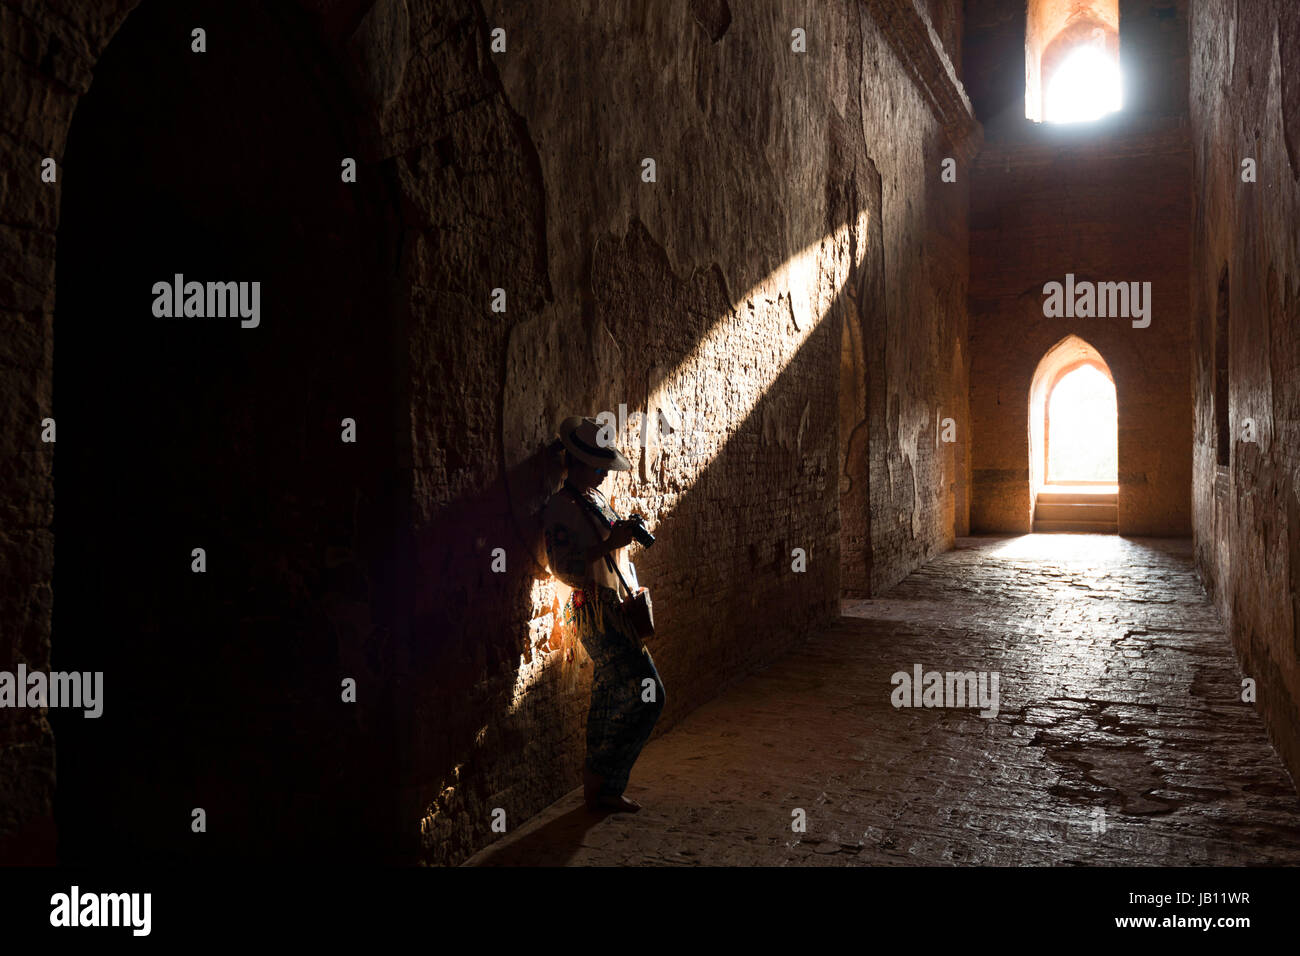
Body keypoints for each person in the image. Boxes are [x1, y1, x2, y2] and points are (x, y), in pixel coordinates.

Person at [543, 416, 666, 812]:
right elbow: (563, 567)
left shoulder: (593, 499)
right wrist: (609, 542)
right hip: (593, 609)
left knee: (607, 696)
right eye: (597, 467)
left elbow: (610, 544)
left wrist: (625, 533)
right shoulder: (561, 507)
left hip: (613, 605)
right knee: (650, 695)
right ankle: (607, 781)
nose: (601, 474)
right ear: (576, 463)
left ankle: (596, 788)